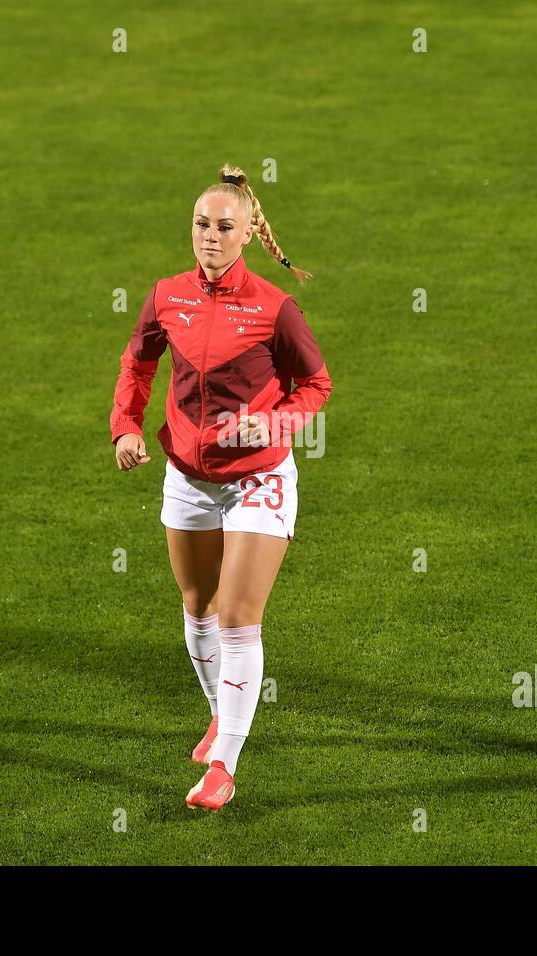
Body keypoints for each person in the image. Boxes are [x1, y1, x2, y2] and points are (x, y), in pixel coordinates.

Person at [109, 164, 332, 810]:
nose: (209, 236)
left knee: (237, 616)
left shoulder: (273, 308)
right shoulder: (167, 295)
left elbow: (316, 384)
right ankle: (222, 716)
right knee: (198, 607)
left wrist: (273, 422)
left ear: (246, 234)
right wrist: (126, 428)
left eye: (223, 227)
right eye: (201, 225)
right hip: (186, 475)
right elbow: (137, 361)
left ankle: (224, 767)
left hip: (258, 477)